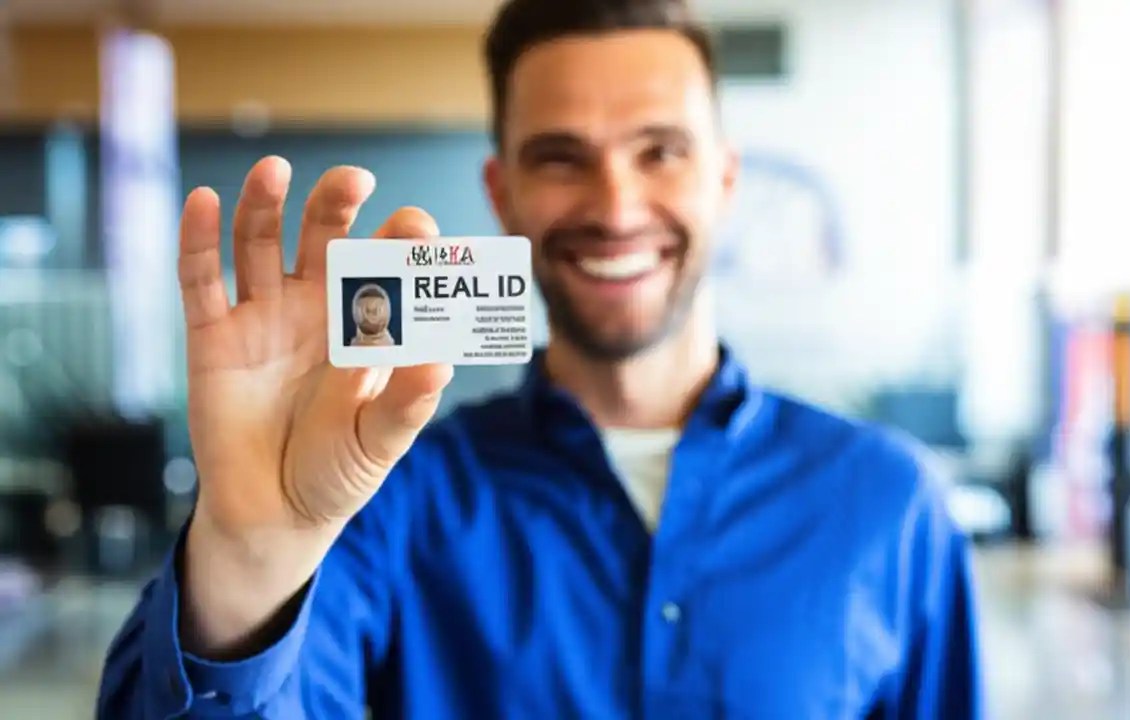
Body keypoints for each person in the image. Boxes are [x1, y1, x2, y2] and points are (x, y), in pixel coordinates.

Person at [97, 0, 982, 717]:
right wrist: (249, 553)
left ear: (723, 177)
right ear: (502, 192)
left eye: (660, 151)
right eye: (562, 158)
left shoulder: (888, 504)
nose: (615, 204)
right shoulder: (377, 502)